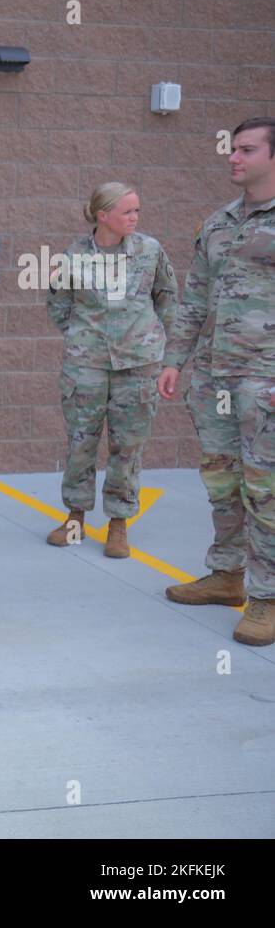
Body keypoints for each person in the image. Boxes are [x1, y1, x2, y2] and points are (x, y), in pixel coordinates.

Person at [158, 117, 275, 646]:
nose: (234, 157)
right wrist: (175, 360)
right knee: (222, 481)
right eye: (232, 148)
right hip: (216, 379)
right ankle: (227, 574)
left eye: (247, 150)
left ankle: (267, 598)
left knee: (265, 489)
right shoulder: (219, 222)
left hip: (266, 379)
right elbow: (194, 300)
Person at [45, 183, 177, 557]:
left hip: (138, 364)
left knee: (127, 447)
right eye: (127, 212)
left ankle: (118, 525)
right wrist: (82, 335)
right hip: (86, 364)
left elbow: (168, 296)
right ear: (103, 215)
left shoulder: (150, 251)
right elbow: (58, 304)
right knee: (80, 443)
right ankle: (75, 518)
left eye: (137, 211)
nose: (135, 218)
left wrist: (160, 344)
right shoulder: (72, 256)